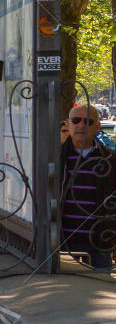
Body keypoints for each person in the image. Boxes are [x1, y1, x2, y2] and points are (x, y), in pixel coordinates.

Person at [59, 103, 116, 271]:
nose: (81, 125)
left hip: (99, 245)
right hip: (61, 244)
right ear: (68, 124)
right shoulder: (54, 158)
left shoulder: (110, 159)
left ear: (97, 126)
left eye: (88, 122)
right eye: (76, 120)